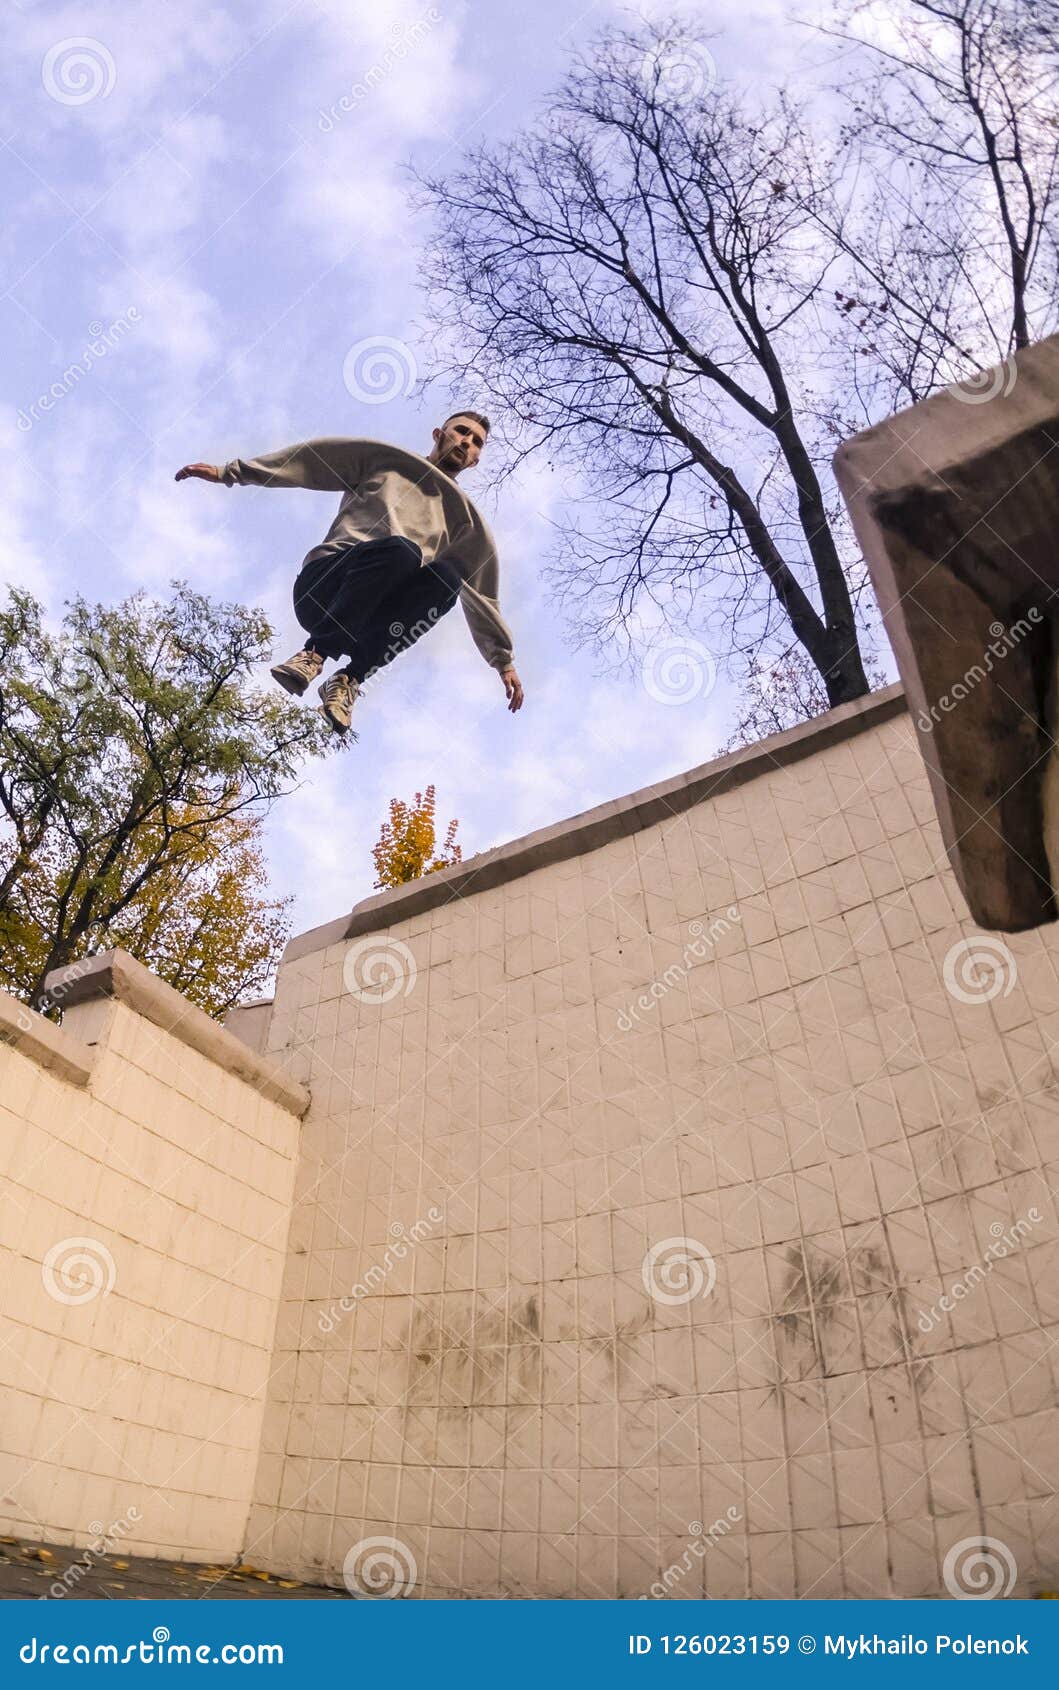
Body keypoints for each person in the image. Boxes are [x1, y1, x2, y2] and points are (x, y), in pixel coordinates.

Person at [175, 411, 523, 733]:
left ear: (476, 460)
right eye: (462, 432)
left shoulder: (464, 520)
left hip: (369, 621)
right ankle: (314, 655)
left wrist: (502, 660)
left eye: (476, 442)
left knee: (447, 578)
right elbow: (310, 462)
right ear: (439, 434)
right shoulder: (386, 462)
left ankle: (348, 681)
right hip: (325, 588)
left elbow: (482, 591)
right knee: (403, 550)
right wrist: (230, 472)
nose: (466, 442)